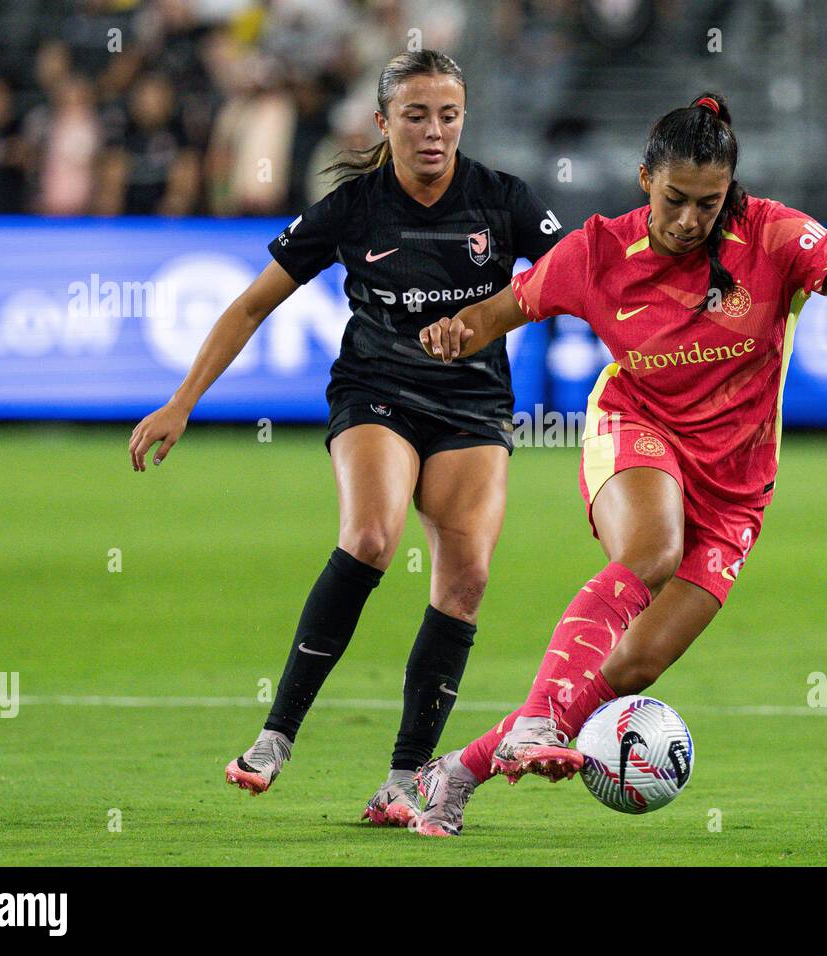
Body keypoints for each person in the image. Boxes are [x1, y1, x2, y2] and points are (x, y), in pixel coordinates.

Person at [408, 92, 827, 836]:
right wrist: (453, 333)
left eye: (707, 204)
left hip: (737, 491)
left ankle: (455, 773)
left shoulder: (773, 236)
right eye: (674, 198)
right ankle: (537, 726)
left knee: (626, 670)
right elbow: (499, 312)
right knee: (652, 551)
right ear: (645, 179)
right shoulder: (598, 252)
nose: (688, 219)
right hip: (637, 427)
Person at [127, 50, 564, 826]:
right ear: (383, 122)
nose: (435, 132)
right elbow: (250, 306)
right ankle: (276, 736)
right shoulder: (352, 207)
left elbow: (577, 277)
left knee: (463, 580)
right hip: (378, 392)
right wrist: (181, 401)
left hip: (473, 405)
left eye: (450, 115)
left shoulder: (503, 201)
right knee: (369, 536)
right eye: (417, 115)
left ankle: (405, 780)